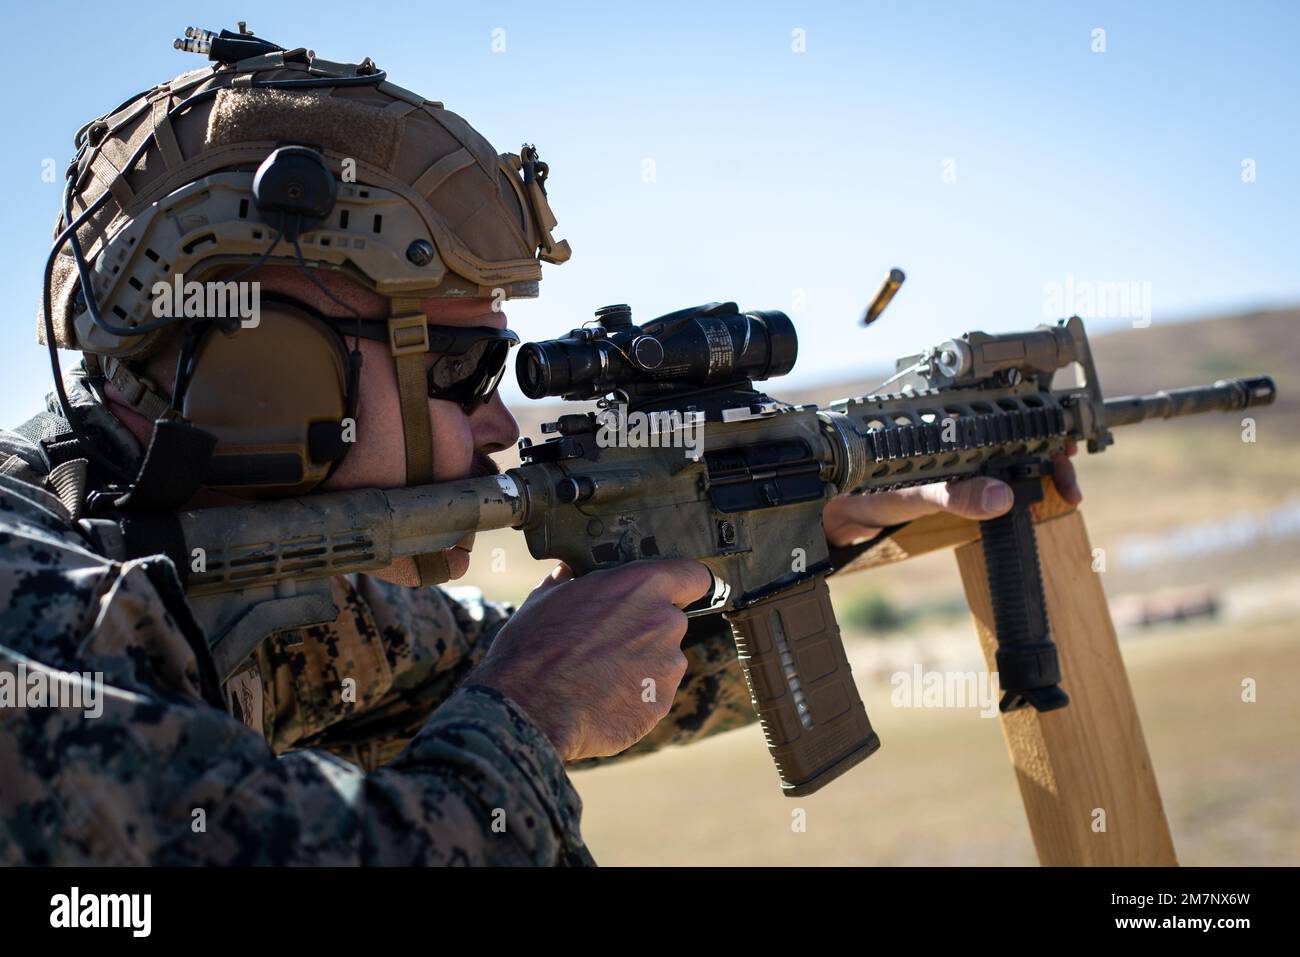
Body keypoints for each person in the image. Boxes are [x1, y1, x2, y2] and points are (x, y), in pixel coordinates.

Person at [0, 30, 1081, 866]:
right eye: (463, 371)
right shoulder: (31, 607)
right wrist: (528, 712)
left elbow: (592, 672)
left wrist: (816, 522)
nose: (500, 427)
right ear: (267, 369)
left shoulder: (253, 577)